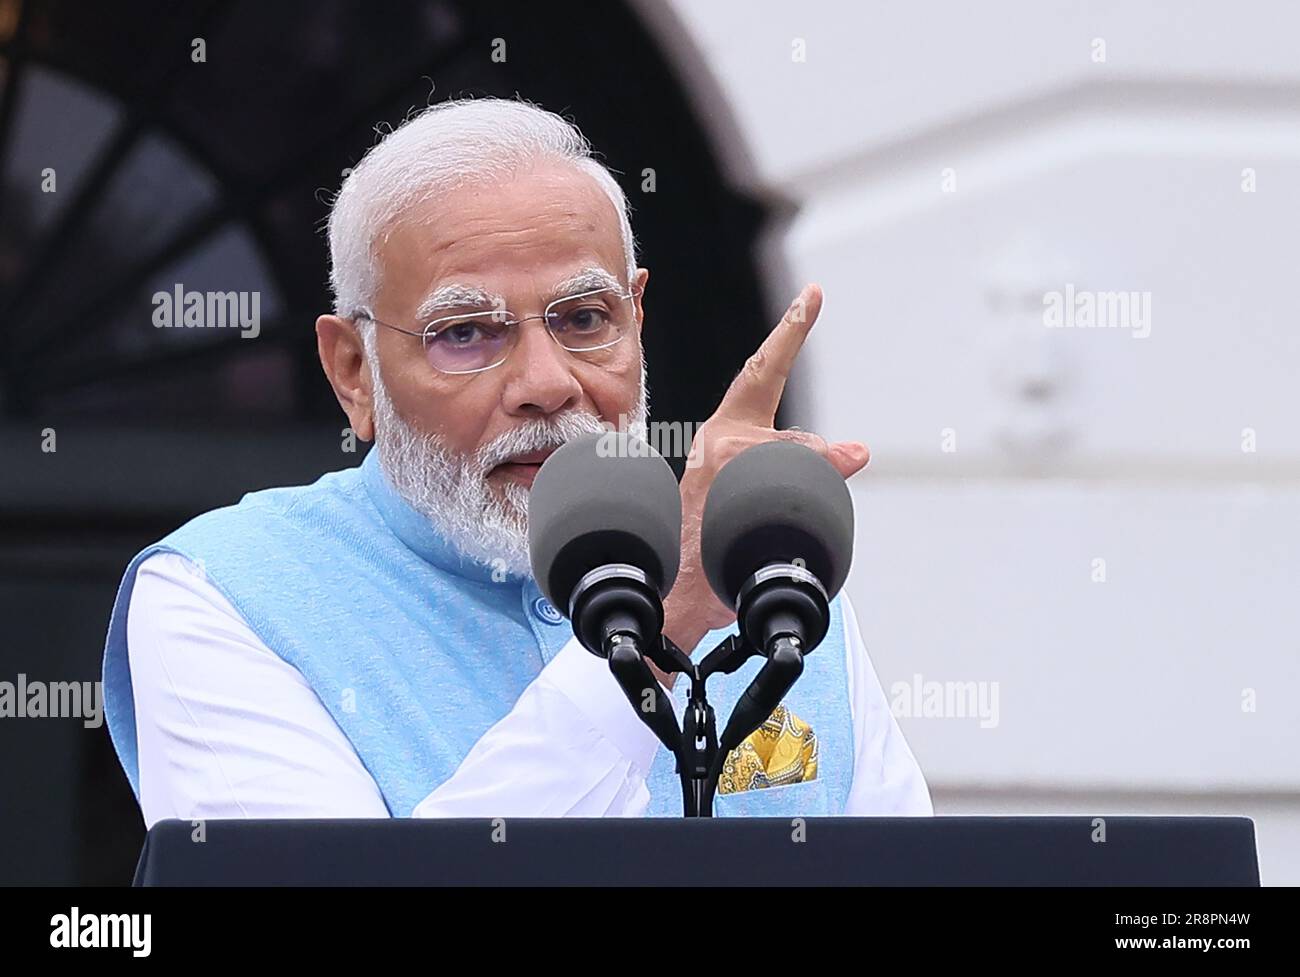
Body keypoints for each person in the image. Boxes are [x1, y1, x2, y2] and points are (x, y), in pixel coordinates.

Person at [101, 97, 932, 824]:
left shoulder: (754, 572)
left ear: (637, 319)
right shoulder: (223, 593)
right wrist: (670, 611)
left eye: (583, 318)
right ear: (354, 371)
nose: (546, 383)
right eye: (465, 333)